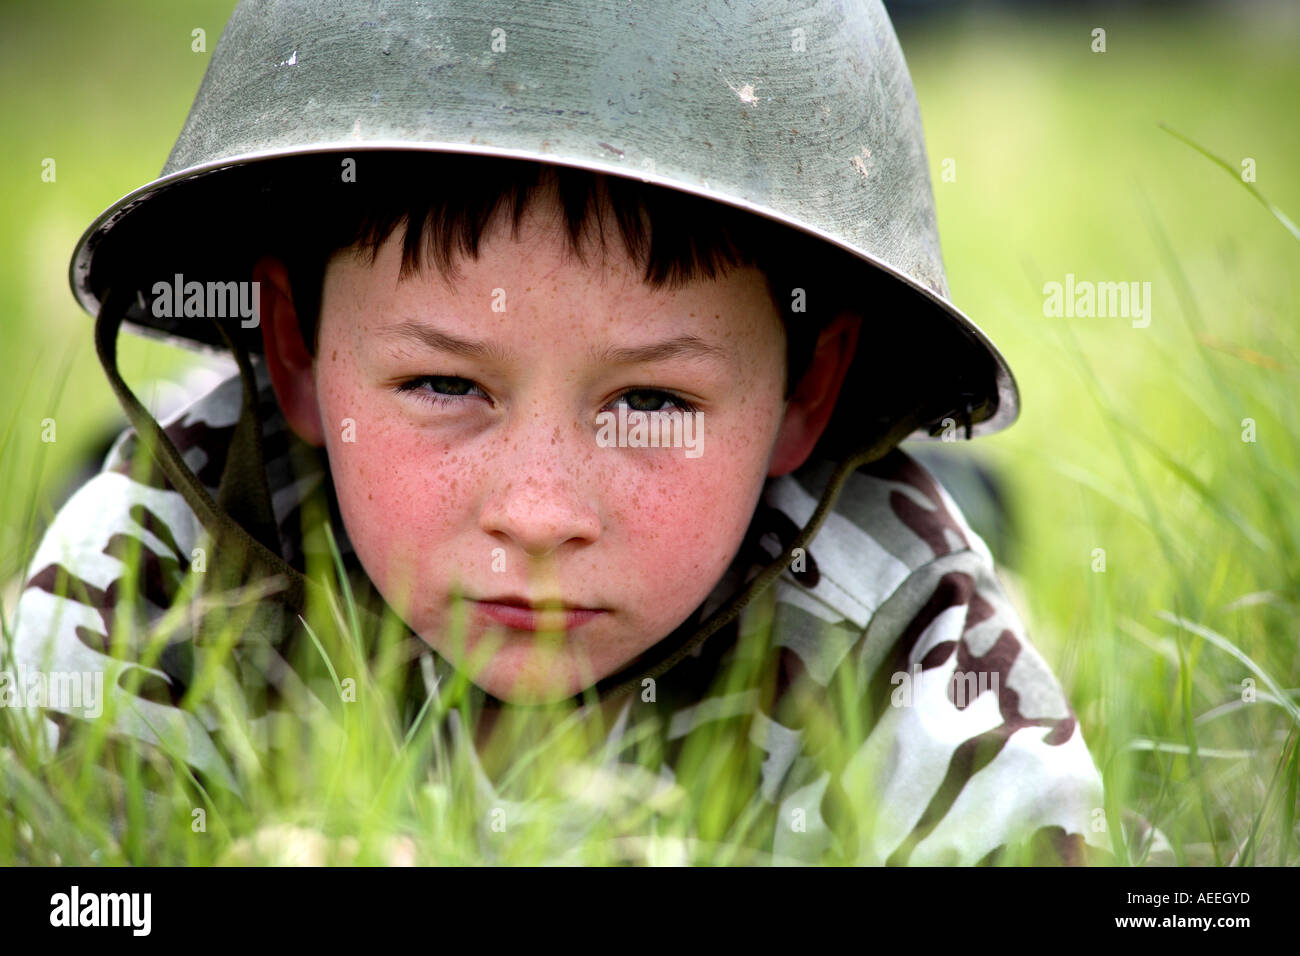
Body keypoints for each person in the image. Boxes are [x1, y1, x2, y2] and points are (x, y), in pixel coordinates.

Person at [8, 0, 1110, 865]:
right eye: (445, 383)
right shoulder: (153, 580)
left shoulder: (894, 620)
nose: (536, 514)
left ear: (802, 392)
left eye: (650, 402)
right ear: (293, 353)